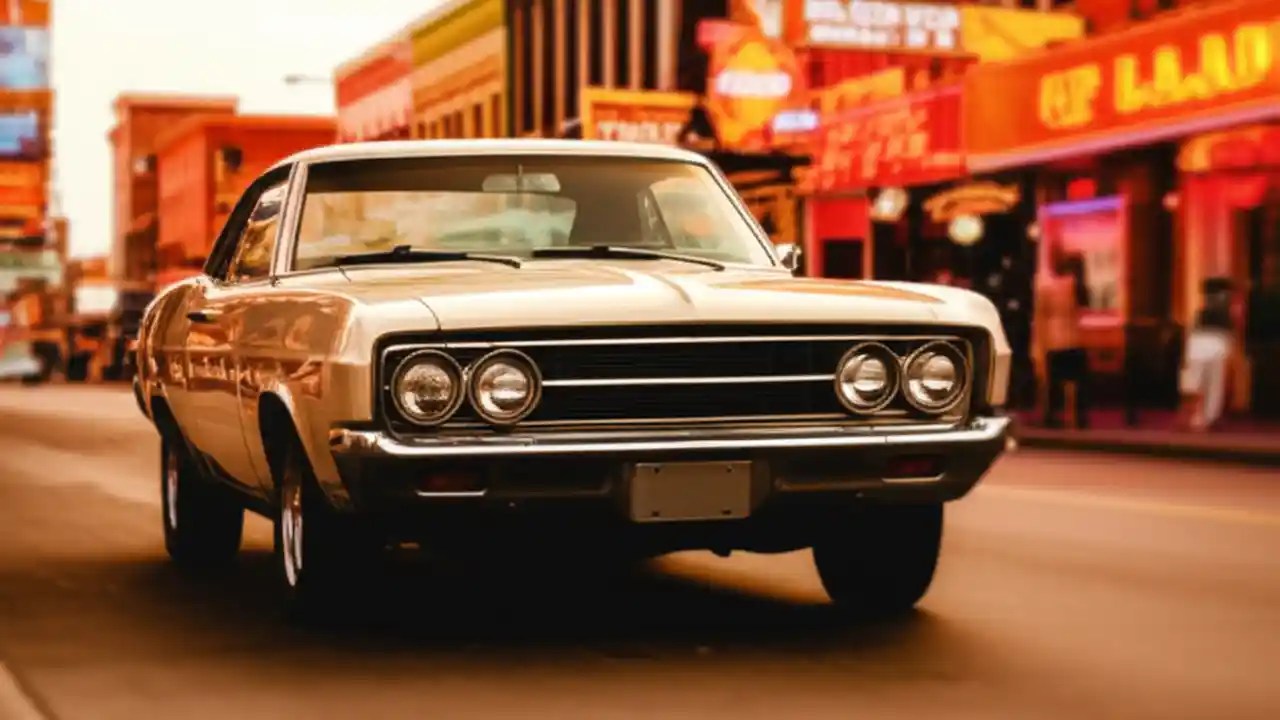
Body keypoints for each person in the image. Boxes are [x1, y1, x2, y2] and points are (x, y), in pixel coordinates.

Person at [1034, 252, 1091, 428]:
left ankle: (1051, 416)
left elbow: (1040, 315)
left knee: (1054, 383)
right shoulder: (1075, 286)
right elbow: (1084, 304)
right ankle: (1076, 418)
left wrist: (1039, 343)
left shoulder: (1046, 287)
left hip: (1054, 339)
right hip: (1073, 338)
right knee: (1076, 382)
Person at [1180, 278, 1234, 430]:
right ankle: (1204, 417)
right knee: (1208, 382)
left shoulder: (1205, 311)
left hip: (1204, 343)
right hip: (1211, 342)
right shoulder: (1220, 311)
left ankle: (1202, 417)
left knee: (1200, 382)